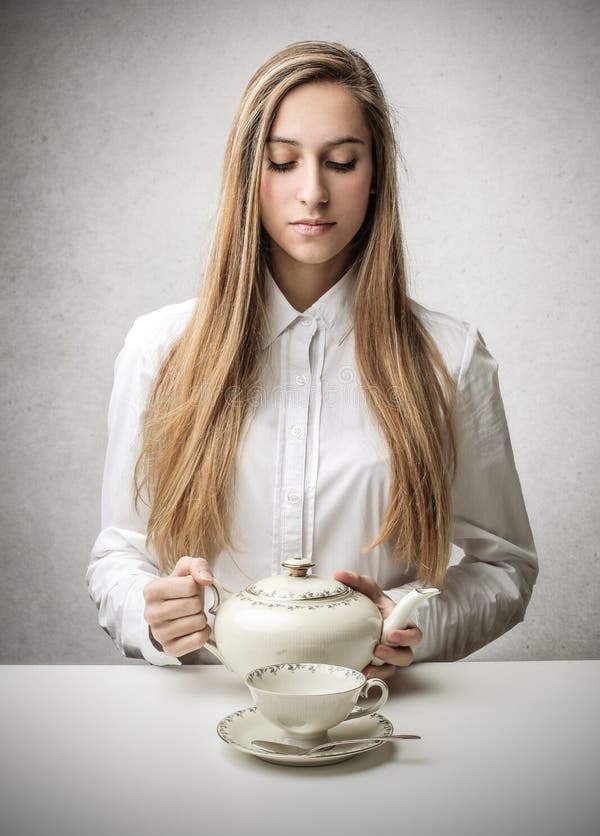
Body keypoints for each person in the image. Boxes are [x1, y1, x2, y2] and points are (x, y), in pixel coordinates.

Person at [87, 41, 538, 678]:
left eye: (342, 162)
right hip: (200, 720)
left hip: (381, 722)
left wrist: (412, 624)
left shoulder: (450, 358)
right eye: (282, 162)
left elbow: (504, 565)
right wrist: (151, 615)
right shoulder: (160, 350)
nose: (313, 193)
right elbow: (118, 553)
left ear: (375, 173)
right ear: (248, 175)